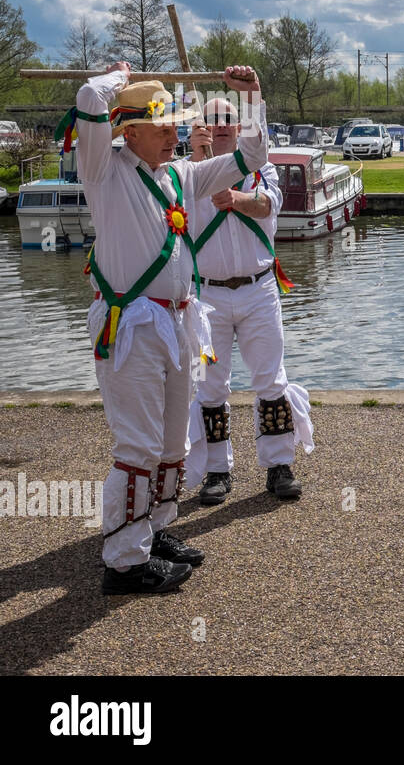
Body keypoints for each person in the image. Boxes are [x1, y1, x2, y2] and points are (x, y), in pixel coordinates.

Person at [74, 63, 267, 594]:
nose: (173, 135)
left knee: (171, 441)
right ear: (126, 132)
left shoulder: (180, 175)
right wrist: (117, 78)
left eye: (174, 126)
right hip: (131, 325)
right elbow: (89, 98)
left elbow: (251, 158)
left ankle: (154, 532)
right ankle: (123, 561)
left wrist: (251, 98)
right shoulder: (102, 172)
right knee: (136, 445)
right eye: (160, 127)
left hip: (179, 322)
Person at [185, 97, 314, 506]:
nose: (221, 126)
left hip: (259, 290)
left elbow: (270, 204)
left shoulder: (263, 166)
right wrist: (196, 159)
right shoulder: (185, 174)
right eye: (213, 121)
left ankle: (278, 464)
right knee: (209, 385)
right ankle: (217, 471)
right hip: (207, 296)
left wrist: (236, 199)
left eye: (228, 120)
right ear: (201, 126)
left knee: (270, 378)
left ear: (240, 127)